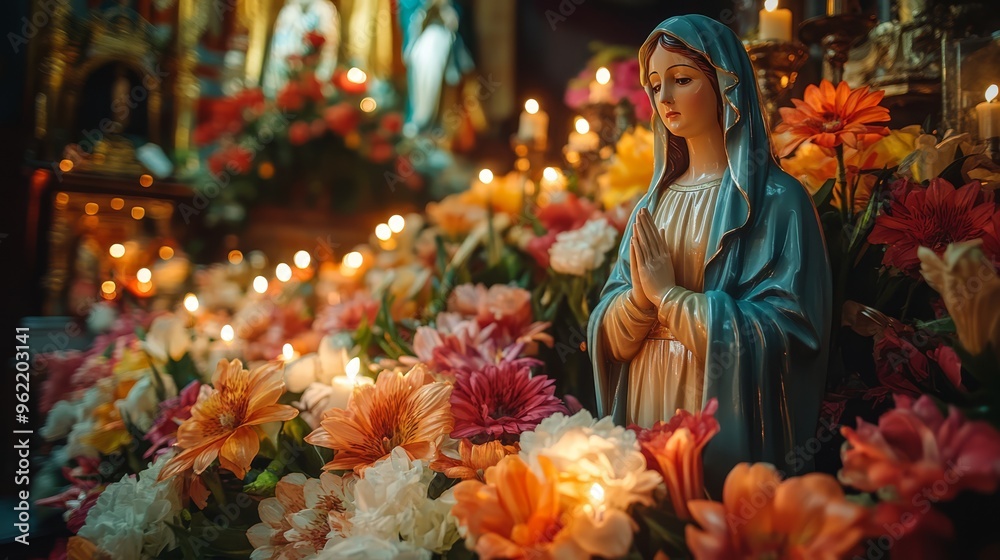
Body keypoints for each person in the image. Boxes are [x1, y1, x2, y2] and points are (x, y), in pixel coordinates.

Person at [587, 14, 832, 493]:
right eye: (656, 86)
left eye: (682, 80)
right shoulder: (651, 205)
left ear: (725, 84)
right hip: (644, 394)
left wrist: (672, 299)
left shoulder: (777, 200)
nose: (666, 99)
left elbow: (793, 331)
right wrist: (639, 303)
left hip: (715, 399)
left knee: (711, 514)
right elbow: (605, 336)